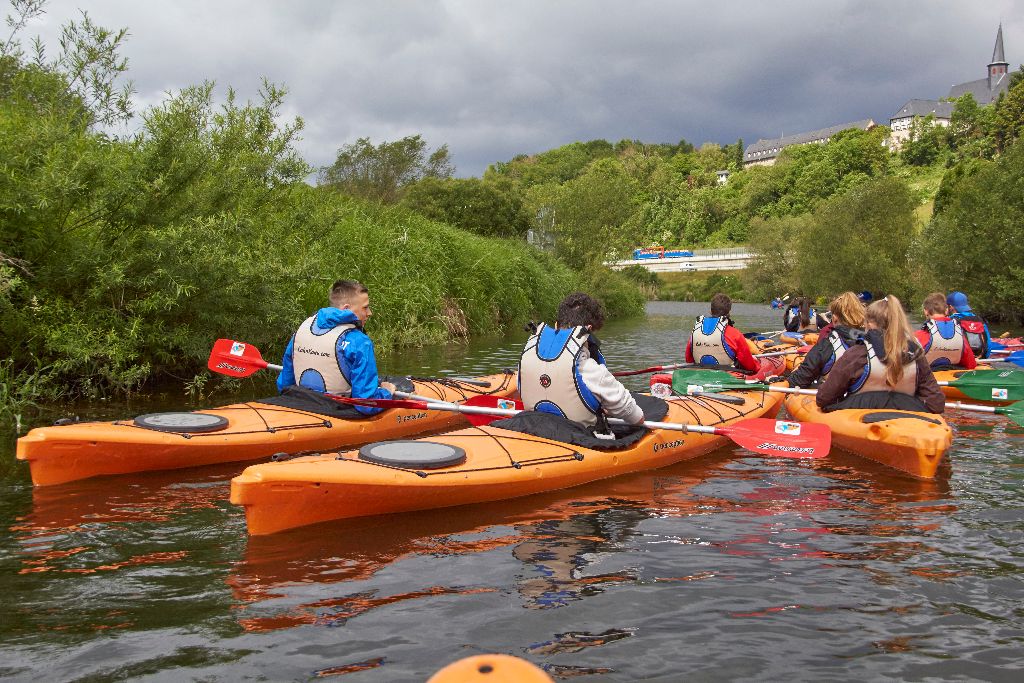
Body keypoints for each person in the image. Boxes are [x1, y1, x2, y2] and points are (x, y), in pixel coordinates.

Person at [519, 292, 644, 429]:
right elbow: (637, 418)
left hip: (535, 433)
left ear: (556, 325)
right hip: (578, 439)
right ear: (589, 330)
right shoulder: (593, 371)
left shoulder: (526, 363)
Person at [277, 279, 396, 415]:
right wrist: (386, 392)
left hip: (299, 403)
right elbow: (366, 404)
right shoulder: (359, 341)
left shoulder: (302, 330)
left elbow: (284, 385)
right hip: (336, 411)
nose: (369, 313)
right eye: (365, 307)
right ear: (346, 309)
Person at [816, 296, 944, 413]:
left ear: (869, 324)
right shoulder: (917, 355)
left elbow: (824, 398)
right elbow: (936, 403)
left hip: (861, 421)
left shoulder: (856, 354)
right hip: (905, 422)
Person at [788, 291, 865, 388]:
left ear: (834, 319)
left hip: (835, 393)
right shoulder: (876, 338)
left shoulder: (826, 345)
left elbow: (798, 380)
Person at [685, 292, 765, 374]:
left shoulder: (695, 331)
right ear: (729, 312)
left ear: (710, 311)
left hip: (700, 375)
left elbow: (689, 359)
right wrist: (758, 365)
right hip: (728, 376)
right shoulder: (735, 334)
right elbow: (749, 366)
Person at [914, 292, 977, 370]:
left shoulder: (918, 336)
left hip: (929, 375)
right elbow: (971, 364)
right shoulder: (960, 334)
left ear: (925, 311)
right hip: (953, 374)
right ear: (946, 310)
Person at [946, 291, 992, 359]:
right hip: (981, 358)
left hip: (961, 360)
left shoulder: (949, 321)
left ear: (951, 307)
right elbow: (988, 345)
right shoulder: (980, 320)